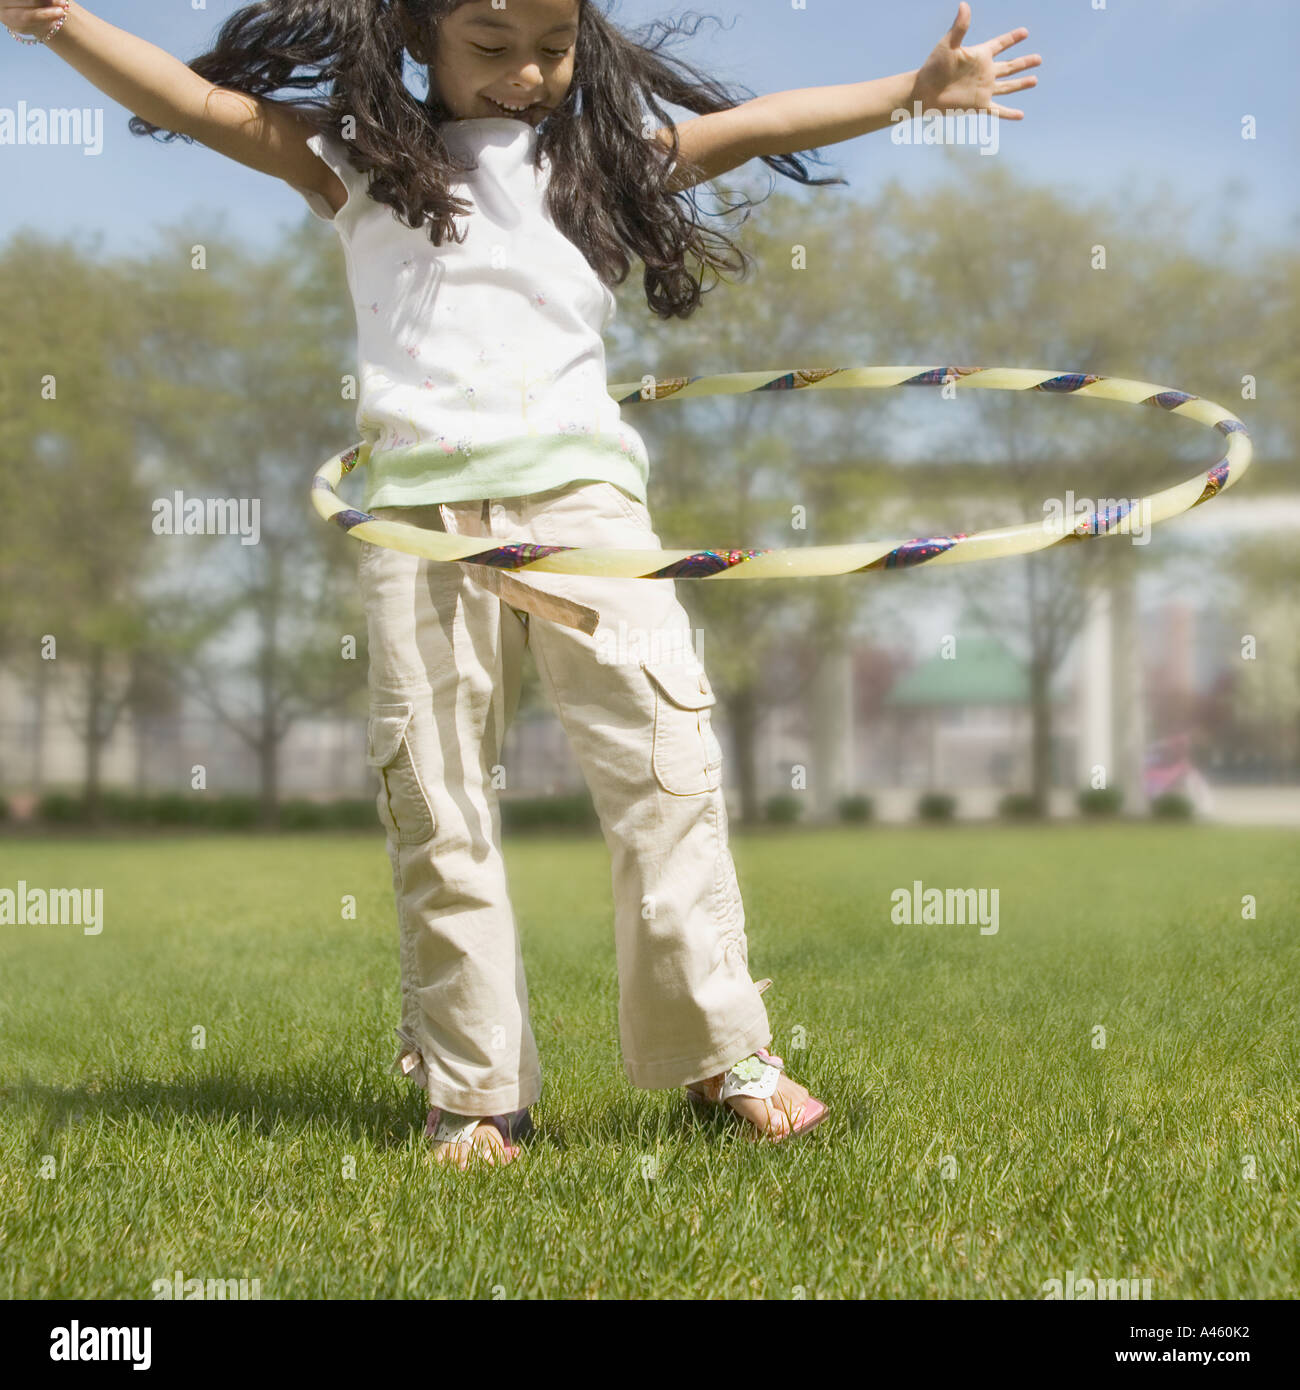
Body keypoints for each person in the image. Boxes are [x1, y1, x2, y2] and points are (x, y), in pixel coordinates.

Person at [13, 0, 1039, 1167]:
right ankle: (474, 1091)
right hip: (417, 515)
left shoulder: (592, 163)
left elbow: (756, 125)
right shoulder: (356, 164)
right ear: (420, 37)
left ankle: (722, 1054)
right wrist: (54, 21)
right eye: (492, 46)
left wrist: (910, 95)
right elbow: (190, 103)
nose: (527, 73)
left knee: (668, 768)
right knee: (437, 798)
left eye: (552, 44)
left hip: (587, 509)